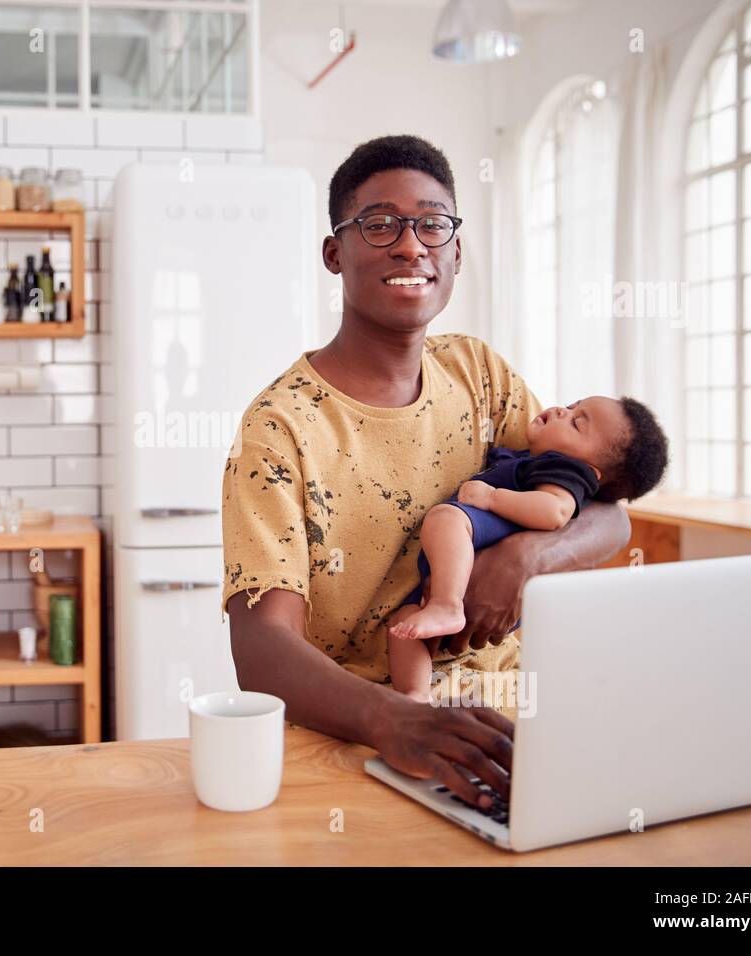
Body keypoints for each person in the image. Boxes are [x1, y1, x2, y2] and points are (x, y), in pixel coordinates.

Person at [220, 134, 631, 811]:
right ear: (335, 253)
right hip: (375, 739)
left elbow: (610, 513)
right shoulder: (280, 426)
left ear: (457, 251)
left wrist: (526, 555)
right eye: (380, 224)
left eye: (433, 224)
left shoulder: (479, 374)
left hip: (524, 720)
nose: (412, 246)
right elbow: (261, 648)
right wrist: (394, 720)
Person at [386, 395, 669, 701]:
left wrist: (492, 498)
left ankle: (446, 604)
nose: (563, 411)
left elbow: (554, 511)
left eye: (576, 423)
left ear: (591, 471)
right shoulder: (529, 457)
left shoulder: (564, 469)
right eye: (572, 406)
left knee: (446, 517)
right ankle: (414, 694)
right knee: (402, 622)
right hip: (458, 562)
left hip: (488, 540)